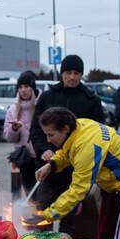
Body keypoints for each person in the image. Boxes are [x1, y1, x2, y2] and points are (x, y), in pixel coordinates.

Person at [33, 107, 120, 239]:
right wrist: (51, 165)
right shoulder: (78, 126)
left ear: (65, 128)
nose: (48, 140)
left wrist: (48, 215)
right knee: (104, 236)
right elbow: (67, 151)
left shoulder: (86, 146)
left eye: (51, 134)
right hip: (113, 184)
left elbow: (79, 189)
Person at [30, 55, 104, 215]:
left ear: (81, 75)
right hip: (47, 166)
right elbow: (35, 129)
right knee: (43, 212)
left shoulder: (91, 99)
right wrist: (43, 149)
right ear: (62, 73)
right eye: (68, 72)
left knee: (71, 216)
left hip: (75, 168)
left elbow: (99, 132)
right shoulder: (48, 97)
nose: (72, 77)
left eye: (76, 73)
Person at [4, 71, 40, 194]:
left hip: (41, 156)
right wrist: (14, 129)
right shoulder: (13, 109)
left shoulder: (41, 105)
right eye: (20, 87)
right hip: (24, 158)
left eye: (26, 86)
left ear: (33, 88)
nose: (23, 90)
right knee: (28, 194)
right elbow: (9, 138)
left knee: (42, 193)